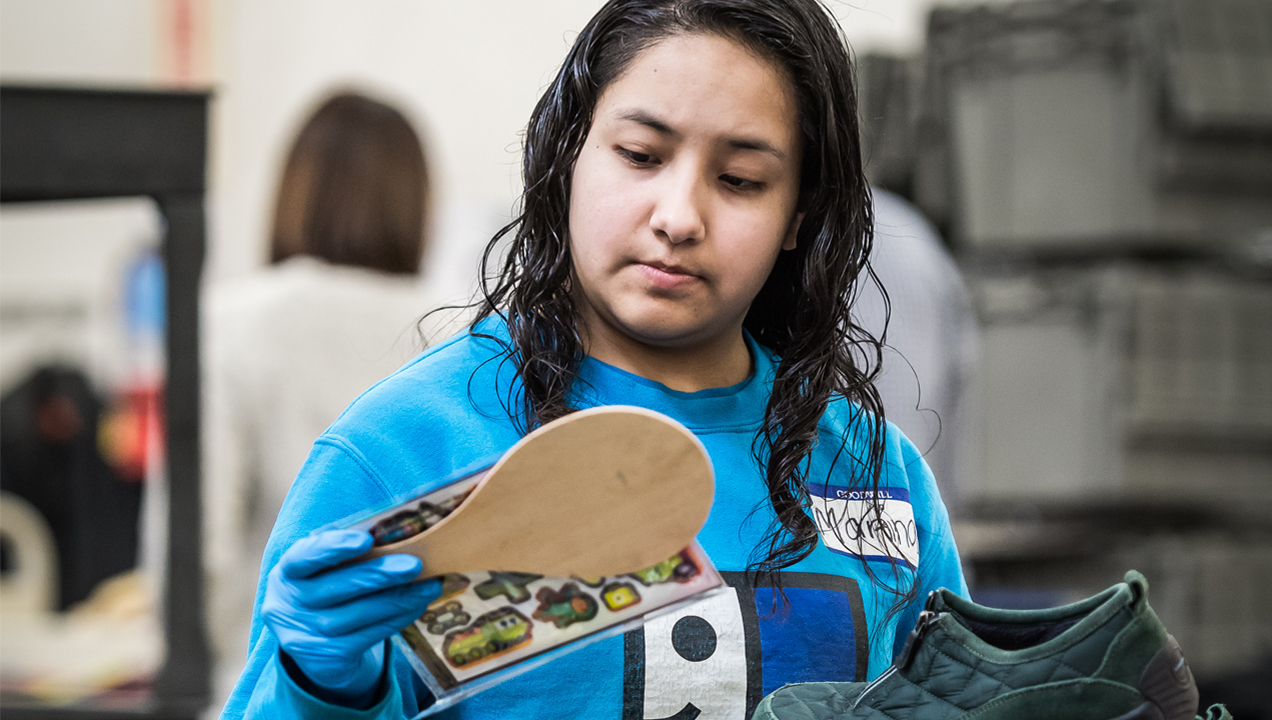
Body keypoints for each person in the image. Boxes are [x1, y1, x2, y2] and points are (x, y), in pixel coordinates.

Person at [220, 2, 968, 718]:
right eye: (640, 155)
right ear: (568, 155)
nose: (678, 217)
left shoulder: (878, 474)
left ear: (798, 215)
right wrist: (317, 685)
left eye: (740, 179)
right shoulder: (396, 454)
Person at [202, 92, 462, 713]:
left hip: (270, 685)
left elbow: (192, 554)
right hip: (437, 687)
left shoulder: (232, 320)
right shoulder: (462, 327)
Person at [854, 188, 980, 509]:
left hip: (864, 535)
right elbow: (963, 367)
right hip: (927, 526)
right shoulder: (908, 227)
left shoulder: (826, 235)